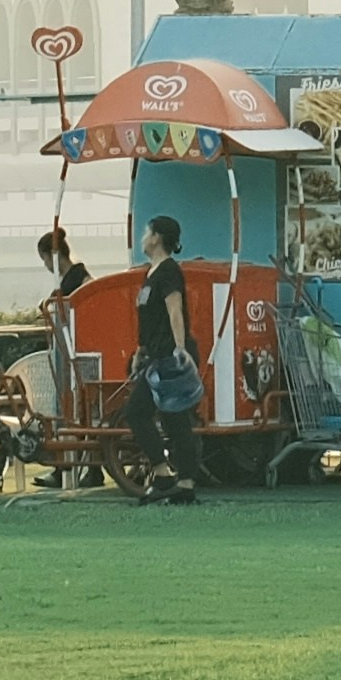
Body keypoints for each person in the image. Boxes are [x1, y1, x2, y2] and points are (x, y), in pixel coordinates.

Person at [131, 215, 208, 505]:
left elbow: (175, 311)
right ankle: (182, 484)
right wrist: (140, 349)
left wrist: (179, 351)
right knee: (174, 420)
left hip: (170, 355)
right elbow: (148, 318)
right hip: (155, 353)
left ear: (157, 238)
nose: (143, 237)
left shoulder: (169, 272)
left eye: (147, 232)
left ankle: (166, 477)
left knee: (138, 412)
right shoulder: (150, 273)